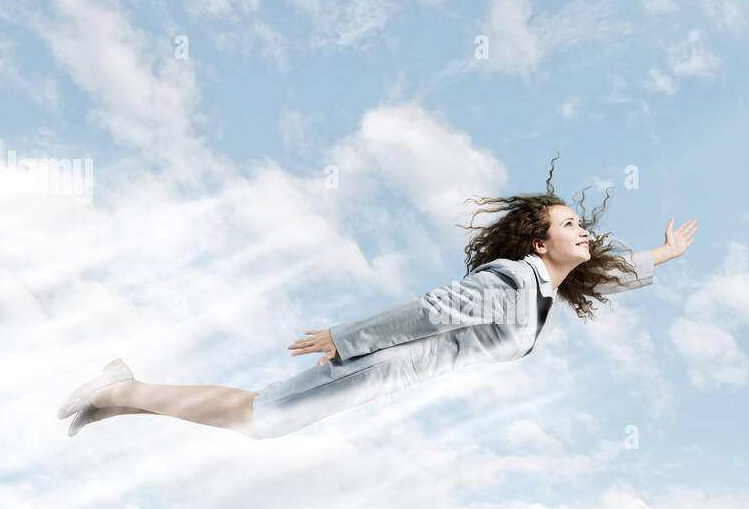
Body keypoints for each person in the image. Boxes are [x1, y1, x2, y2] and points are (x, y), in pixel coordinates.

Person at [56, 171, 697, 440]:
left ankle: (120, 398)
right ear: (539, 241)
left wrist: (664, 255)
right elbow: (430, 310)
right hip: (380, 362)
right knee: (259, 417)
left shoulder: (544, 290)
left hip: (393, 375)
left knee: (258, 418)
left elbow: (607, 272)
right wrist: (347, 337)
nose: (584, 231)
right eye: (570, 224)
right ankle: (122, 390)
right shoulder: (511, 283)